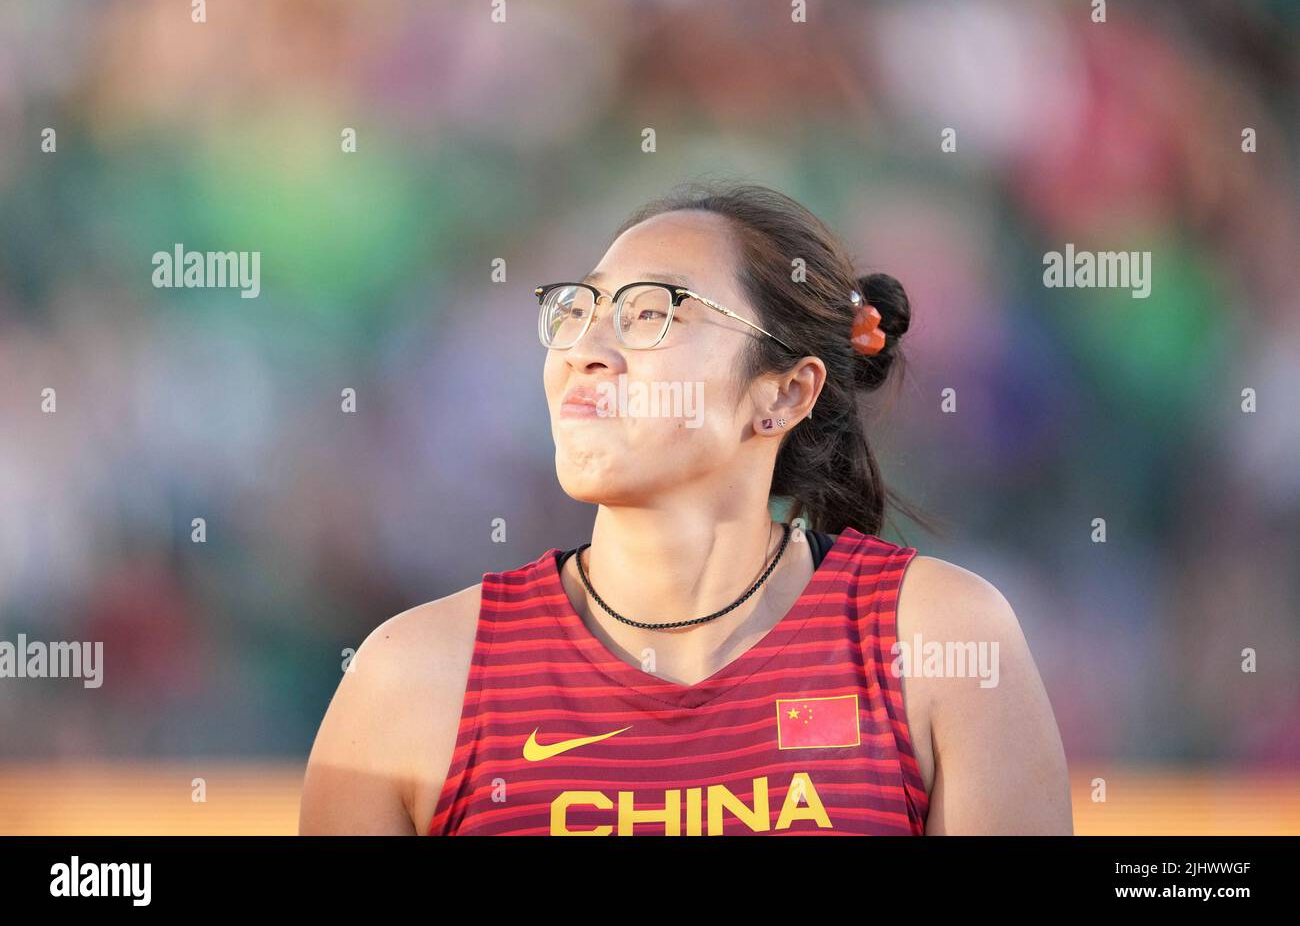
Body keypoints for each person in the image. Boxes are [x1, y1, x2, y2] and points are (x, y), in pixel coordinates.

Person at [299, 181, 1072, 835]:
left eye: (651, 311)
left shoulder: (939, 645)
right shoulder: (413, 677)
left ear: (784, 393)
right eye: (576, 310)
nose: (584, 348)